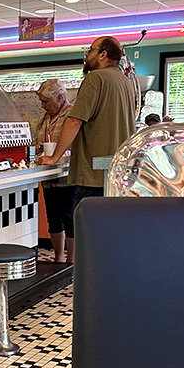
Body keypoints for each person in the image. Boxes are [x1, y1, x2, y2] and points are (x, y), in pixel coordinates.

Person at [41, 35, 136, 209]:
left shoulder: (95, 78)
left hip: (94, 175)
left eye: (91, 50)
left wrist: (54, 157)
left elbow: (74, 121)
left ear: (103, 54)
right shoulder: (125, 81)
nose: (86, 54)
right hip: (117, 173)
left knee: (89, 231)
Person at [35, 78, 75, 263]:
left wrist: (57, 156)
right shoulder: (45, 118)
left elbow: (75, 145)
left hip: (67, 176)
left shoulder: (72, 115)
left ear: (60, 98)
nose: (43, 106)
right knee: (53, 218)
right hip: (48, 176)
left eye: (46, 101)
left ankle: (72, 260)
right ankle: (58, 258)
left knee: (70, 218)